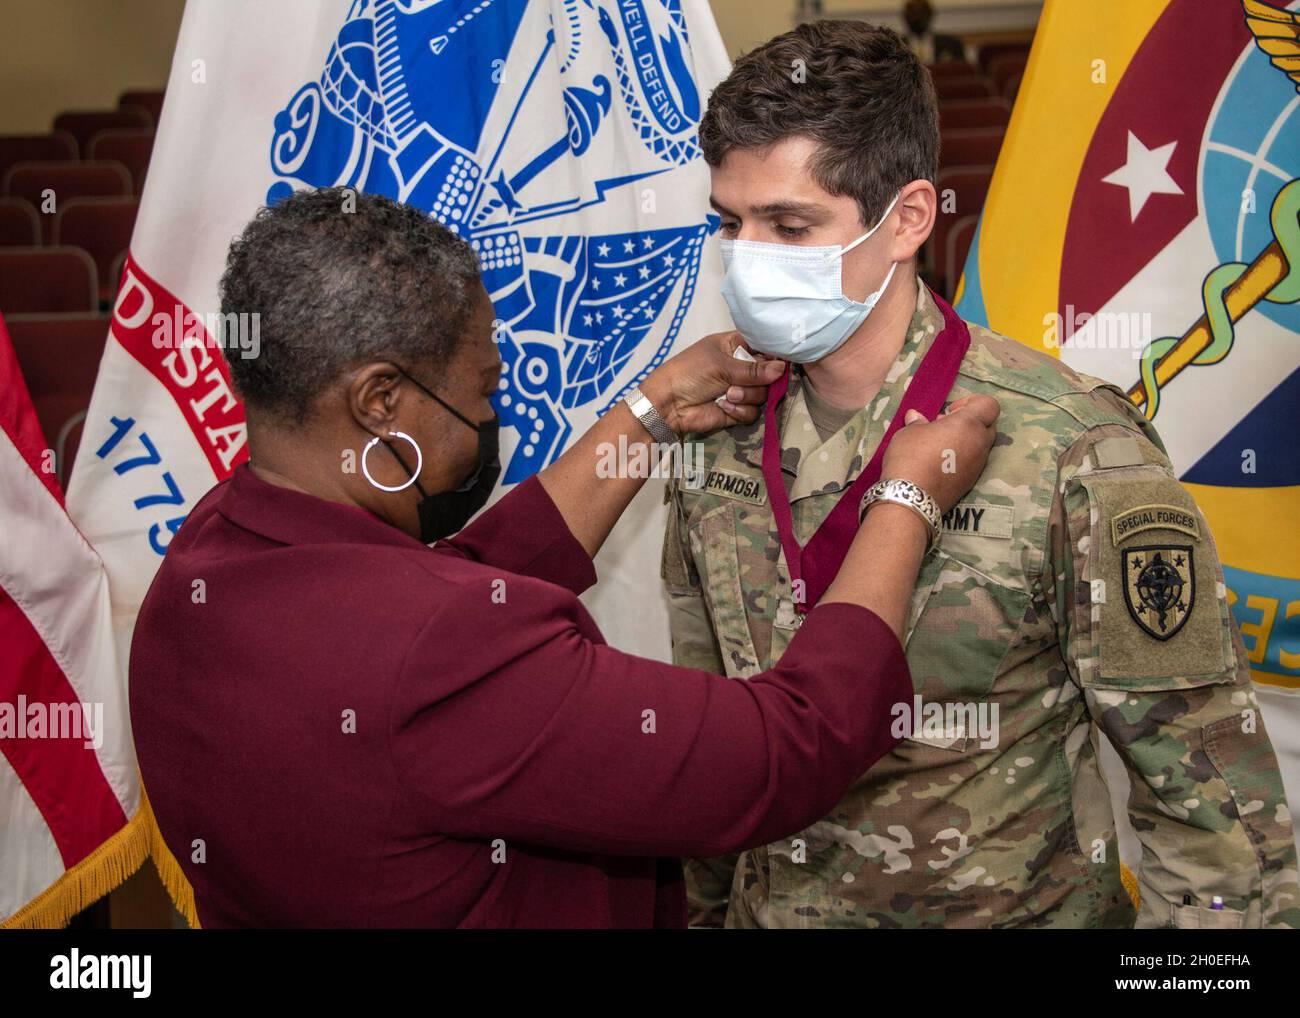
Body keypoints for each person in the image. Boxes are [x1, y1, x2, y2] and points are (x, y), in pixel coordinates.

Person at [128, 186, 999, 928]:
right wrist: (906, 499)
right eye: (482, 392)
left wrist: (652, 410)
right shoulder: (434, 649)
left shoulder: (203, 564)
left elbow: (454, 587)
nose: (490, 416)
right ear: (380, 401)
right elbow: (789, 748)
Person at [662, 20, 1299, 929]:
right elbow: (712, 748)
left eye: (789, 225)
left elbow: (1216, 819)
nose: (748, 258)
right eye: (731, 222)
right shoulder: (713, 435)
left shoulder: (1076, 448)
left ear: (909, 219)